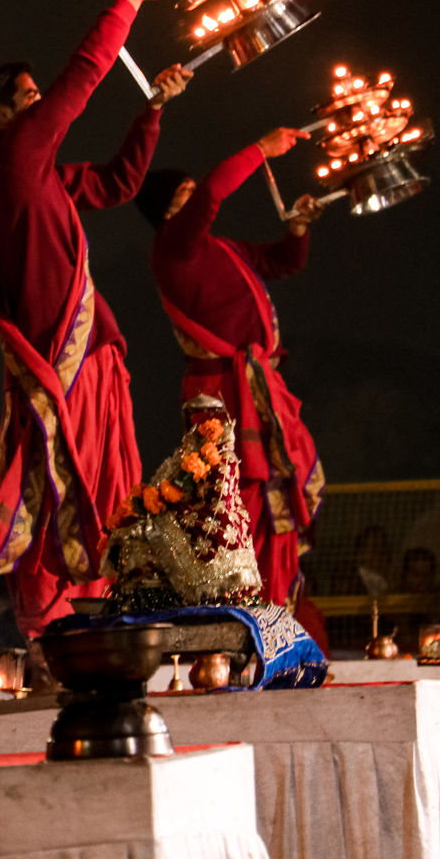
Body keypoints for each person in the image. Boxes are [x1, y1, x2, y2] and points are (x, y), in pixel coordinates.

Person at [0, 0, 187, 637]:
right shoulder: (14, 156)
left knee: (100, 491)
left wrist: (153, 111)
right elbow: (84, 75)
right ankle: (64, 627)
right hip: (67, 367)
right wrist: (129, 0)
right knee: (72, 489)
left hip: (88, 361)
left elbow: (118, 184)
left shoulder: (40, 175)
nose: (42, 105)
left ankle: (103, 617)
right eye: (29, 97)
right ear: (2, 116)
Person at [134, 128, 324, 607]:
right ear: (166, 211)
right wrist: (260, 150)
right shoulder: (174, 248)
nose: (197, 195)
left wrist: (298, 228)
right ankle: (238, 610)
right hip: (218, 392)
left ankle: (275, 604)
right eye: (184, 192)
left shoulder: (219, 248)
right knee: (231, 501)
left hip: (253, 386)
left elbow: (280, 263)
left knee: (266, 496)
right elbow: (215, 191)